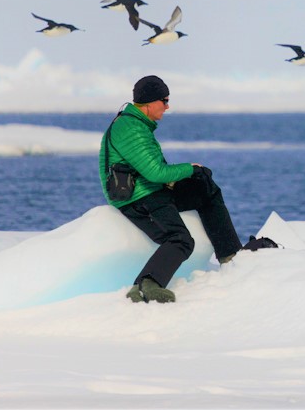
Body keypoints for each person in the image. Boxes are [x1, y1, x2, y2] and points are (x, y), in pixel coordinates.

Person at [99, 75, 243, 303]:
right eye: (164, 101)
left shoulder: (137, 124)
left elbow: (151, 171)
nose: (167, 106)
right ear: (149, 102)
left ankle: (230, 255)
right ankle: (146, 284)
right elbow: (156, 173)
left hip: (150, 189)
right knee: (180, 239)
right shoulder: (130, 128)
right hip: (138, 199)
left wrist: (193, 173)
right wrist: (189, 168)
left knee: (205, 186)